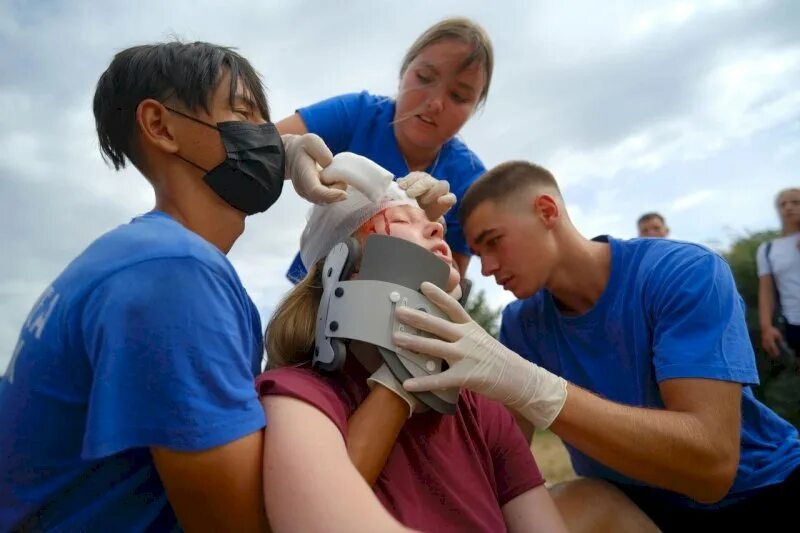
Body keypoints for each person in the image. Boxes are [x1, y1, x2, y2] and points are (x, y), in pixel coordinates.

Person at [0, 41, 341, 531]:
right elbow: (248, 524)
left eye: (271, 128)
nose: (268, 140)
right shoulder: (175, 275)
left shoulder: (143, 257)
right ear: (160, 126)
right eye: (244, 113)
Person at [392, 161, 800, 531]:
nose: (487, 268)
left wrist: (533, 387)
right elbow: (495, 461)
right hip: (633, 503)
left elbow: (712, 469)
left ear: (547, 211)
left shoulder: (683, 272)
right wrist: (401, 232)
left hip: (758, 490)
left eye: (494, 241)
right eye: (478, 254)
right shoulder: (522, 322)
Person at [257, 181, 567, 532]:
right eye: (403, 220)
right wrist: (402, 378)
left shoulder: (480, 410)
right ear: (345, 266)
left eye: (427, 221)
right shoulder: (295, 396)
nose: (438, 226)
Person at [279, 16, 493, 282]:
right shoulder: (358, 115)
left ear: (474, 109)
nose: (435, 103)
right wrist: (286, 151)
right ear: (403, 73)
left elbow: (452, 283)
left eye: (459, 96)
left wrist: (431, 228)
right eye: (425, 77)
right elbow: (249, 142)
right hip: (319, 285)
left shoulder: (469, 183)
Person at [757, 187, 800, 362]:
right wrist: (766, 327)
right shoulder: (768, 249)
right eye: (783, 204)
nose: (788, 207)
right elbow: (766, 291)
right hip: (794, 324)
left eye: (796, 202)